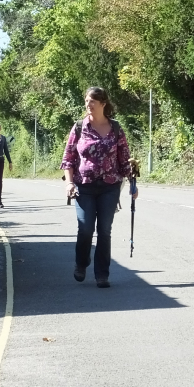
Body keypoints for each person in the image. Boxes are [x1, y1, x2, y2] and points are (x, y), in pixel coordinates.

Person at [61, 87, 137, 288]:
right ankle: (81, 262)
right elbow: (68, 158)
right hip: (84, 185)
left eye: (92, 101)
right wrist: (69, 182)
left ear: (103, 104)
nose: (88, 104)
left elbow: (124, 160)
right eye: (86, 100)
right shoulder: (79, 128)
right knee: (85, 228)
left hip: (110, 186)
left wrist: (132, 184)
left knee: (104, 230)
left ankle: (102, 274)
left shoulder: (116, 129)